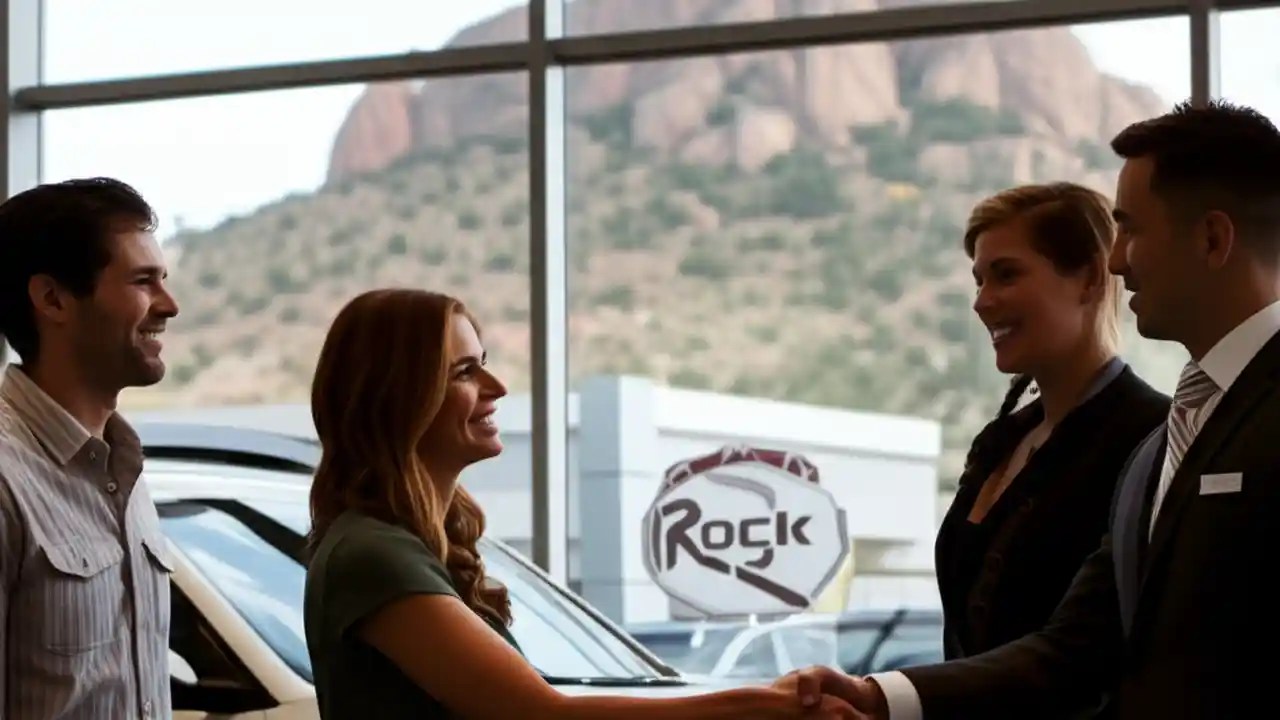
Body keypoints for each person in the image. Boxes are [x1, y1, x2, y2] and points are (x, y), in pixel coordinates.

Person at [785, 100, 1280, 719]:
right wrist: (880, 696)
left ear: (1212, 238)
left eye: (1132, 229)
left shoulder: (1151, 431)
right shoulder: (1166, 442)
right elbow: (1077, 647)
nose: (1119, 257)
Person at [302, 288, 857, 720]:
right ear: (396, 397)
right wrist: (768, 705)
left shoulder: (399, 546)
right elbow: (538, 713)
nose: (496, 386)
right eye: (465, 372)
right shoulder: (372, 554)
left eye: (484, 363)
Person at [930, 183, 1168, 716]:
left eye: (1007, 274)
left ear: (1087, 277)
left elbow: (1092, 653)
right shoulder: (1000, 441)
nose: (982, 300)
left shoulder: (1153, 436)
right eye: (979, 279)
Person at [0, 178, 180, 719]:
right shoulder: (6, 478)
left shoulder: (124, 470)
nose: (169, 305)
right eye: (143, 281)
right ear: (53, 298)